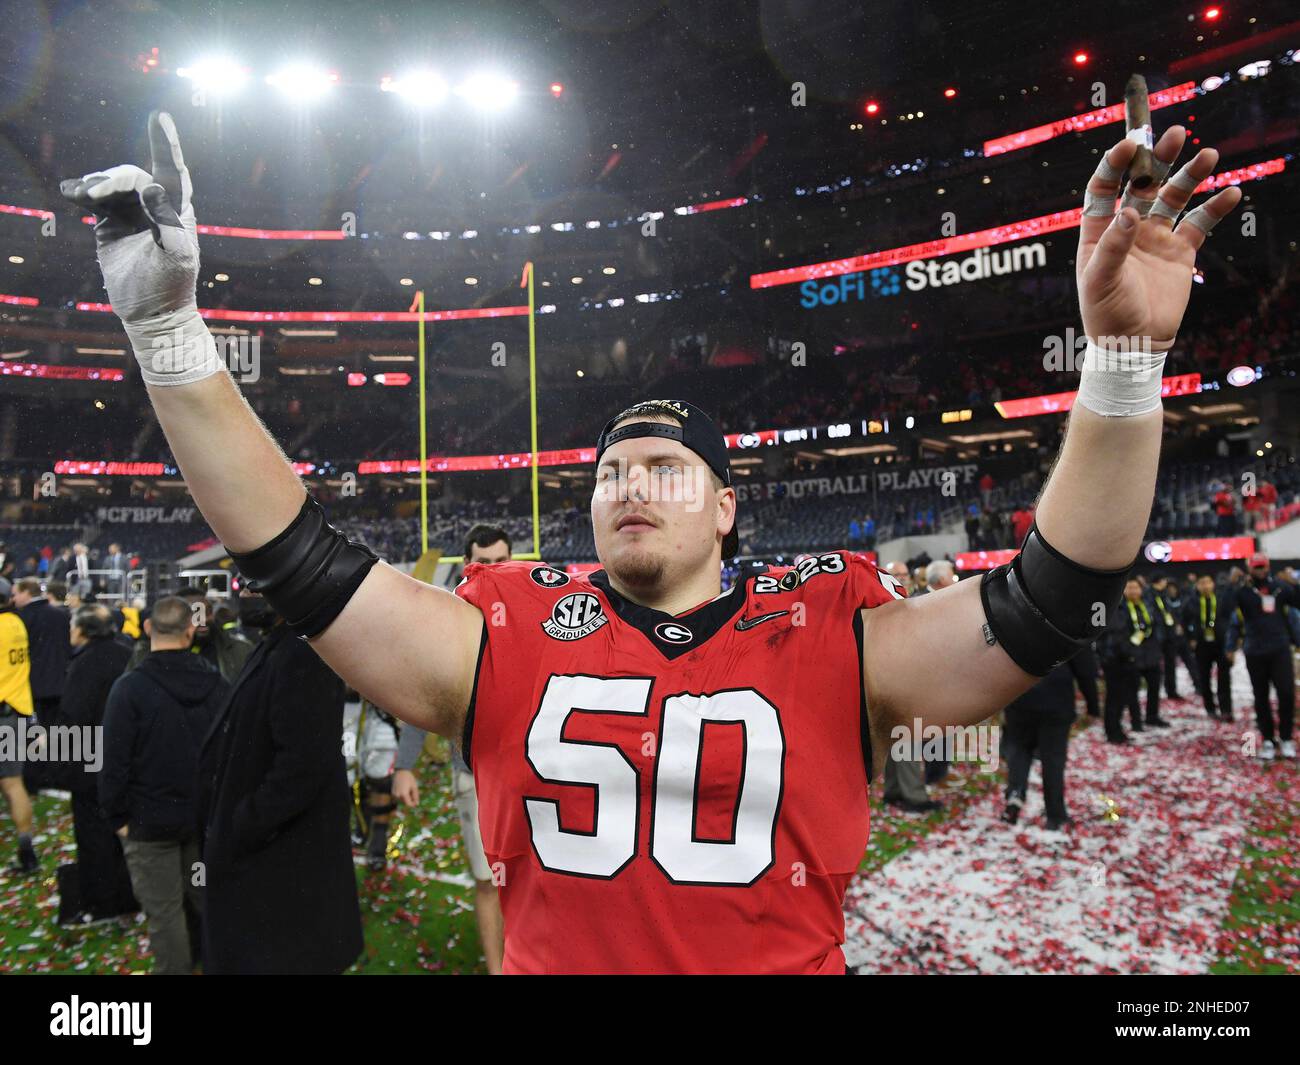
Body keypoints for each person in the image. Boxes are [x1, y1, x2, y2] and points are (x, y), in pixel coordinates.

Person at [62, 111, 1239, 973]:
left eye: (667, 469)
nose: (631, 483)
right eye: (612, 471)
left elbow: (1055, 590)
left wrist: (1125, 364)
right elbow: (296, 560)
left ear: (727, 506)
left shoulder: (829, 626)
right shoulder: (502, 628)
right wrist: (169, 335)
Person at [196, 587, 362, 974]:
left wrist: (244, 822)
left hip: (282, 868)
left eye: (255, 583)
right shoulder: (280, 642)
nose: (246, 592)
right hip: (275, 864)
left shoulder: (303, 653)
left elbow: (302, 766)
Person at [392, 524, 511, 974]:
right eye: (486, 561)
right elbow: (427, 693)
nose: (496, 571)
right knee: (487, 881)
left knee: (532, 878)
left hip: (529, 773)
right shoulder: (450, 618)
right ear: (468, 565)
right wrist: (405, 765)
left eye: (503, 561)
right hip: (473, 775)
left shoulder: (535, 614)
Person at [100, 596, 229, 974]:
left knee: (165, 912)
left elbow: (113, 761)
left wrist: (116, 816)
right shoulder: (216, 683)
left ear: (148, 629)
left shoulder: (129, 688)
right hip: (198, 818)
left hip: (150, 821)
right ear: (190, 632)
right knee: (202, 900)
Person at [60, 604, 137, 925]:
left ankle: (103, 903)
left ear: (83, 630)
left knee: (94, 835)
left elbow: (74, 716)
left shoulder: (84, 664)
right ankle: (129, 900)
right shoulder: (126, 653)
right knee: (124, 833)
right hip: (126, 756)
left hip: (91, 759)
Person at [1225, 554, 1300, 759]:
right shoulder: (1243, 591)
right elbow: (1225, 610)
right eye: (1256, 567)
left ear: (1268, 567)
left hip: (1280, 648)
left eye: (1262, 567)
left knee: (1286, 693)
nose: (1260, 571)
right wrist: (1232, 585)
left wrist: (1294, 583)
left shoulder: (1279, 587)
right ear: (1250, 568)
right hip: (1255, 650)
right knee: (1261, 696)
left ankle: (1285, 738)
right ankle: (1268, 739)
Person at [11, 577, 71, 792]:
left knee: (32, 735)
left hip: (32, 686)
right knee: (56, 733)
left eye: (16, 593)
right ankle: (57, 775)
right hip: (60, 684)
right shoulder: (61, 615)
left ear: (27, 592)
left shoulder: (22, 618)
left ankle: (34, 779)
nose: (13, 598)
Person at [1000, 664, 1076, 831]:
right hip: (1056, 702)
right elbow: (1084, 666)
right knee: (1053, 761)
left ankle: (1015, 793)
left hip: (1020, 698)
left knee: (1020, 750)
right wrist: (1092, 703)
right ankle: (1055, 815)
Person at [0, 578, 39, 876]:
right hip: (15, 710)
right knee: (14, 785)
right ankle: (27, 850)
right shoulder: (16, 623)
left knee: (12, 786)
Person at [1183, 574, 1232, 719]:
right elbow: (1184, 621)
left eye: (1208, 582)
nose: (1205, 586)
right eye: (1202, 582)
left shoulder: (1221, 598)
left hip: (1221, 643)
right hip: (1201, 645)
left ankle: (1226, 710)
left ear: (1213, 583)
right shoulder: (1191, 601)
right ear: (1197, 585)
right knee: (1204, 678)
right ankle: (1210, 708)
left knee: (1224, 678)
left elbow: (1230, 618)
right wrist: (1191, 638)